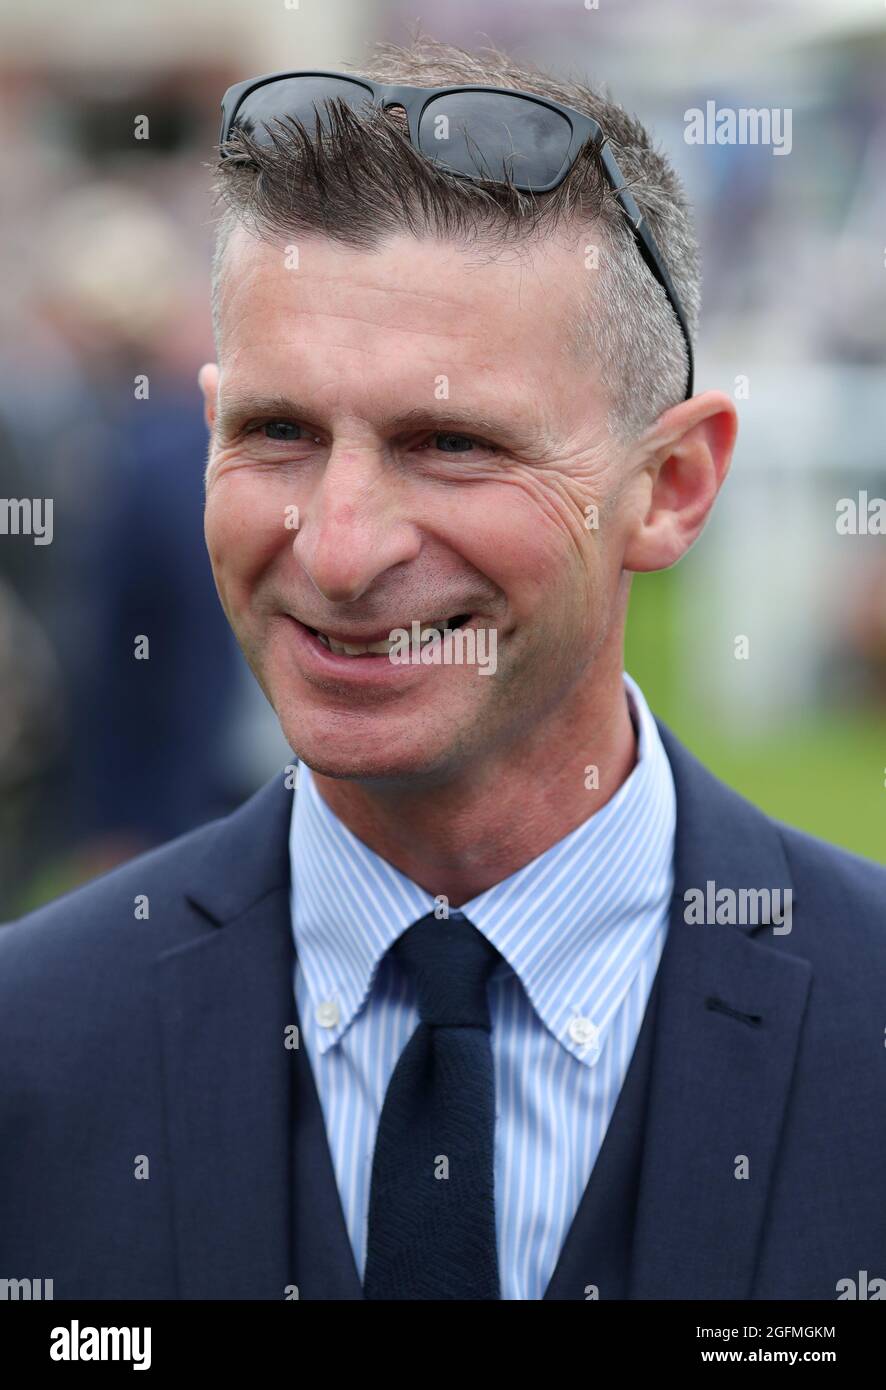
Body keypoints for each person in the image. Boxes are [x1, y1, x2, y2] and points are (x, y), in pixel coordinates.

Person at [1, 37, 884, 1302]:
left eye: (451, 443)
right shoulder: (31, 1049)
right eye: (278, 432)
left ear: (671, 486)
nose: (339, 548)